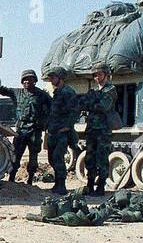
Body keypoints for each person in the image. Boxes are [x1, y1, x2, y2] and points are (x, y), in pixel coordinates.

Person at [0, 69, 52, 185]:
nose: (27, 82)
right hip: (21, 131)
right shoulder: (17, 93)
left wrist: (45, 122)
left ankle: (30, 180)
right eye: (24, 79)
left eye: (30, 79)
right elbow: (3, 90)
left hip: (35, 131)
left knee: (33, 157)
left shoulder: (42, 95)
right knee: (16, 156)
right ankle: (11, 179)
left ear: (34, 81)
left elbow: (52, 108)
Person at [79, 64, 117, 196]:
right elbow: (82, 104)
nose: (97, 77)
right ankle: (90, 184)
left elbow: (104, 106)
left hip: (103, 130)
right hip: (91, 130)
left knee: (102, 158)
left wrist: (91, 103)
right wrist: (90, 102)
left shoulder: (110, 90)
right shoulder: (94, 92)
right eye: (95, 75)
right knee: (90, 158)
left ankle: (101, 186)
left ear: (106, 75)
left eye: (99, 74)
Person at [43, 68, 80, 196]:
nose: (51, 80)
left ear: (60, 78)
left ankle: (61, 185)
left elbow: (75, 110)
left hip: (62, 132)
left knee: (58, 158)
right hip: (53, 131)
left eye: (53, 78)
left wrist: (68, 126)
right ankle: (58, 184)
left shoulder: (67, 92)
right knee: (52, 159)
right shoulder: (58, 92)